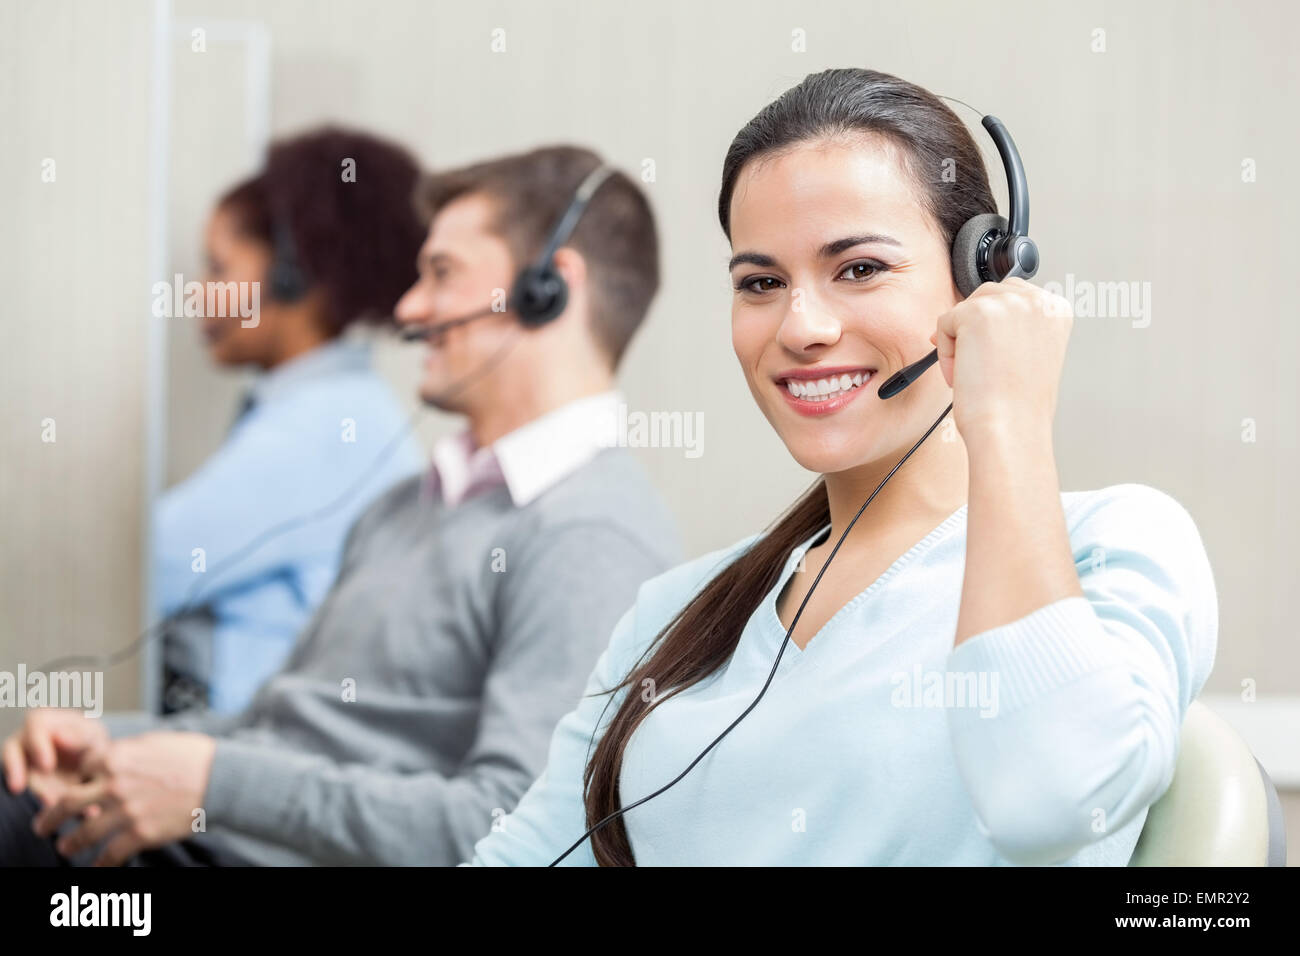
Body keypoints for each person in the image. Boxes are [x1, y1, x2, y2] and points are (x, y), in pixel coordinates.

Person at [465, 68, 1219, 866]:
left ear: (983, 279)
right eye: (761, 283)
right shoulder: (673, 615)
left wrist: (1008, 421)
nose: (802, 327)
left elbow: (1052, 801)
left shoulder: (1117, 543)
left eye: (858, 269)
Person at [0, 145, 682, 866]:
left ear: (549, 288)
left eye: (440, 274)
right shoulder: (405, 506)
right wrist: (112, 746)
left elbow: (515, 828)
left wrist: (213, 784)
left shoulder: (591, 536)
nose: (407, 309)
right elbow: (279, 733)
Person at [155, 126, 425, 715]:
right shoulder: (328, 407)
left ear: (290, 276)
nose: (198, 296)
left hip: (239, 754)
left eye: (218, 269)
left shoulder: (329, 424)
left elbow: (142, 566)